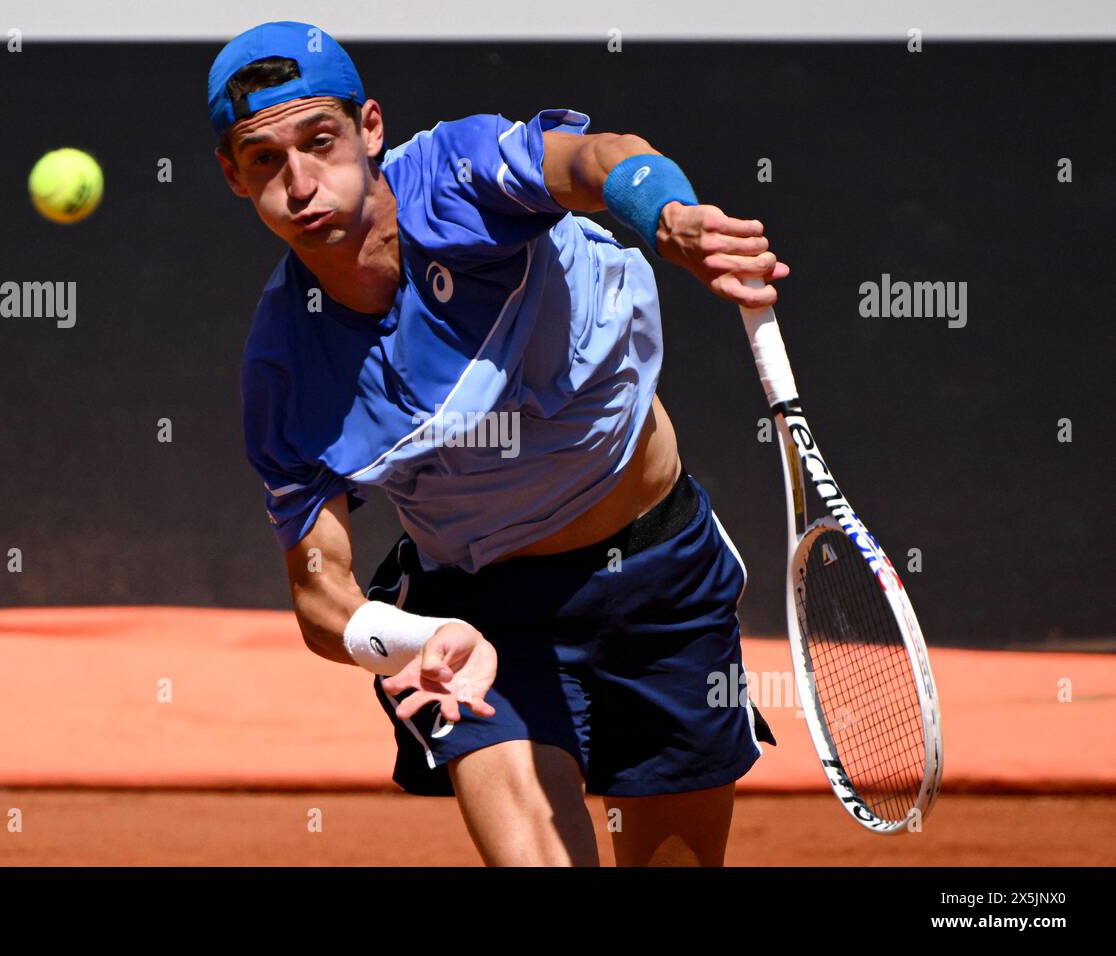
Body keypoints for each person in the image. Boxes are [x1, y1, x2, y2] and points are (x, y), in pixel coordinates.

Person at [210, 20, 787, 866]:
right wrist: (416, 640)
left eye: (320, 141)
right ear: (234, 176)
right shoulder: (284, 369)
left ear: (369, 129)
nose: (301, 183)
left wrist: (668, 216)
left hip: (660, 584)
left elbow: (594, 158)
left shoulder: (457, 177)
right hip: (486, 621)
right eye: (264, 161)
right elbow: (318, 591)